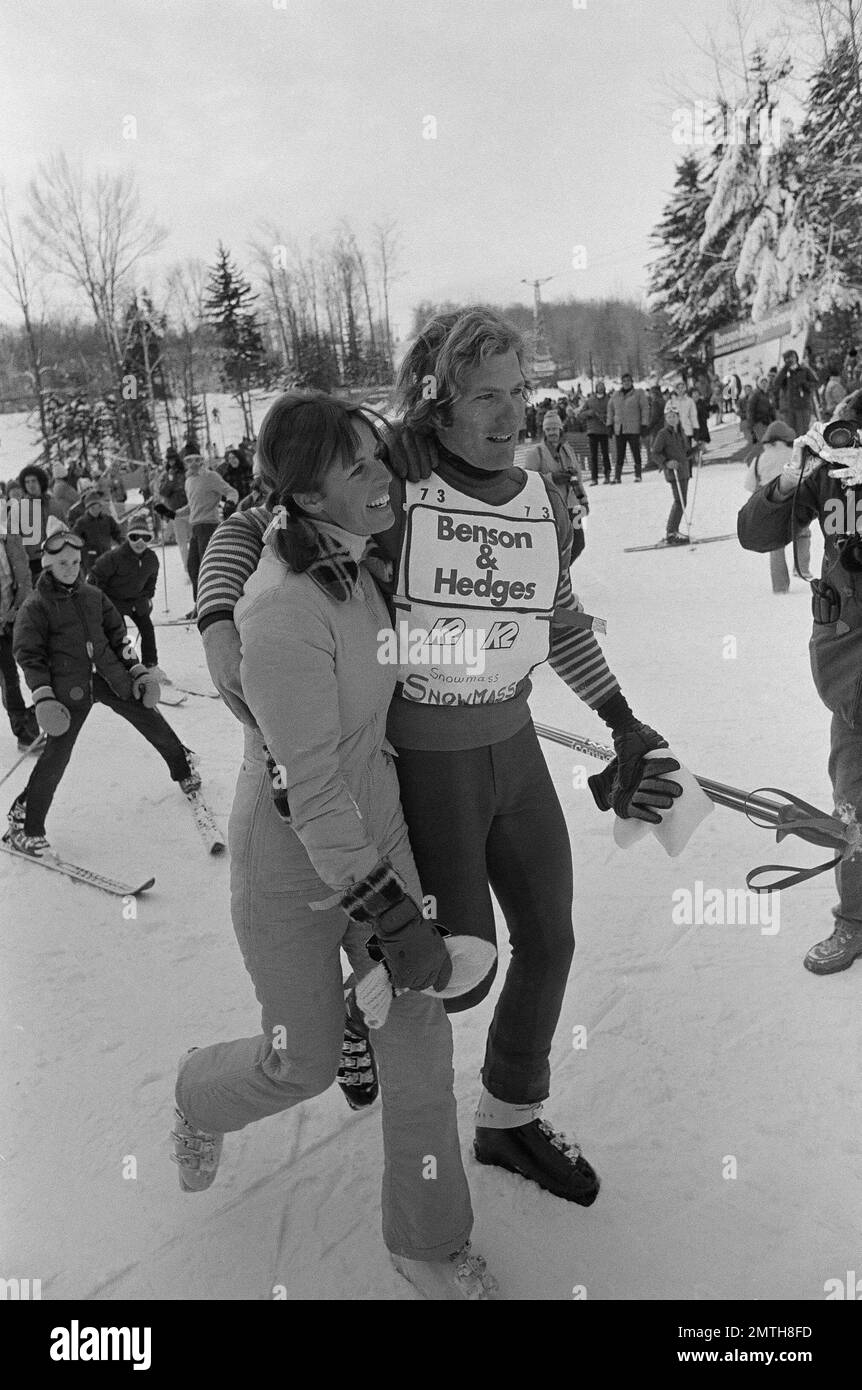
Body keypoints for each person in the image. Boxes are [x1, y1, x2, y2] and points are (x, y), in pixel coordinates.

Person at [196, 308, 683, 1207]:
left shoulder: (534, 493)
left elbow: (558, 619)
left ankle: (509, 1118)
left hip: (514, 744)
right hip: (426, 758)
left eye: (520, 394)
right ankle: (357, 1004)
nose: (511, 417)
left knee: (551, 939)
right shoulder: (398, 486)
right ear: (437, 404)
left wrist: (621, 719)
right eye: (485, 397)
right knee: (459, 970)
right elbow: (248, 526)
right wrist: (220, 615)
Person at [171, 393, 495, 1301]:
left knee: (419, 1045)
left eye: (375, 455)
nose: (381, 474)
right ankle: (199, 1093)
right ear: (305, 495)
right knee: (302, 1062)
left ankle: (428, 1238)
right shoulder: (278, 615)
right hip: (290, 868)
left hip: (378, 831)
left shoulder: (359, 562)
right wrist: (392, 914)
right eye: (356, 467)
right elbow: (308, 790)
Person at [738, 390, 862, 972]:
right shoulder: (833, 464)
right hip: (852, 668)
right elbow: (757, 533)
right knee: (854, 802)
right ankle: (856, 919)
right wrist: (793, 478)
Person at [6, 518, 198, 858]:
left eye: (75, 562)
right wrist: (44, 695)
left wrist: (136, 670)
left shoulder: (94, 596)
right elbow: (29, 655)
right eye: (62, 563)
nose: (70, 568)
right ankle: (26, 823)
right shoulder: (36, 606)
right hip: (68, 690)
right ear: (49, 564)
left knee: (149, 717)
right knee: (57, 754)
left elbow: (118, 637)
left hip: (109, 678)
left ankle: (183, 766)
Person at [742, 420, 812, 591]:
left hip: (770, 506)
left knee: (776, 545)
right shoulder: (795, 455)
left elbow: (750, 485)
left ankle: (780, 586)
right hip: (796, 502)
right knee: (802, 534)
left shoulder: (759, 459)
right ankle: (802, 568)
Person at [90, 514, 160, 670]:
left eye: (146, 538)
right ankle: (127, 665)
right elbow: (96, 576)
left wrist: (148, 595)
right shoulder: (114, 557)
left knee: (147, 629)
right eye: (135, 537)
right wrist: (100, 601)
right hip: (114, 600)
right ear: (128, 538)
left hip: (137, 600)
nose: (140, 542)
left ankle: (151, 664)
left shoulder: (151, 559)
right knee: (121, 634)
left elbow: (152, 579)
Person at [524, 410, 589, 562]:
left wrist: (584, 500)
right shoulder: (536, 453)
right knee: (556, 545)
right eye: (548, 429)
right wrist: (552, 478)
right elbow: (528, 481)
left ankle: (561, 575)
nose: (552, 432)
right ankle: (555, 577)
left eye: (554, 429)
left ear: (560, 429)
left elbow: (577, 477)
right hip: (551, 507)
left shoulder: (568, 449)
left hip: (573, 506)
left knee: (578, 544)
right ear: (544, 431)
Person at [0, 521, 39, 750]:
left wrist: (19, 608)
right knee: (9, 677)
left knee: (34, 665)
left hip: (17, 615)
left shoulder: (9, 534)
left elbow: (23, 573)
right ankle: (23, 730)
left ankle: (44, 709)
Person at [651, 403, 693, 546]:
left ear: (678, 418)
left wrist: (698, 449)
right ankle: (671, 532)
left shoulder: (681, 433)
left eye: (674, 416)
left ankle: (674, 530)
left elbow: (685, 453)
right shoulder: (663, 434)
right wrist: (666, 462)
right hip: (673, 472)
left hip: (684, 471)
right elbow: (655, 453)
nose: (672, 419)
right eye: (669, 417)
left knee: (683, 501)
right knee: (679, 501)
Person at [16, 465, 65, 583]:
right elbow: (15, 539)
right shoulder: (19, 509)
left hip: (57, 556)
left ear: (41, 482)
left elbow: (65, 529)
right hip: (34, 562)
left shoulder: (54, 505)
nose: (30, 485)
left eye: (33, 481)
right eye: (27, 482)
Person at [71, 486, 123, 578]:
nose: (96, 509)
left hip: (106, 555)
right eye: (93, 507)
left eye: (98, 506)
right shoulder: (82, 522)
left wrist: (123, 542)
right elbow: (75, 537)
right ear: (88, 508)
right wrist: (84, 547)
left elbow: (117, 533)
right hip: (90, 559)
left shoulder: (107, 519)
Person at [608, 372, 649, 482]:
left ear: (632, 382)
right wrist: (609, 425)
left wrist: (644, 424)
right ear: (622, 382)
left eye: (628, 381)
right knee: (620, 453)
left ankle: (638, 474)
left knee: (635, 451)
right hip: (620, 428)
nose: (626, 383)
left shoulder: (638, 393)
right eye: (624, 381)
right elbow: (610, 410)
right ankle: (617, 476)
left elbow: (645, 409)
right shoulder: (616, 395)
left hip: (633, 428)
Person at [775, 349, 820, 435]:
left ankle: (807, 447)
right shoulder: (784, 372)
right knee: (793, 433)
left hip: (804, 405)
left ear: (796, 357)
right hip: (790, 407)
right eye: (787, 358)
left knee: (804, 431)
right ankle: (799, 447)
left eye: (792, 357)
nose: (790, 360)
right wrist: (785, 368)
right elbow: (776, 383)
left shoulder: (804, 370)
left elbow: (816, 383)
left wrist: (805, 384)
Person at [582, 381, 612, 485]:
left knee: (605, 454)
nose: (600, 389)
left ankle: (607, 476)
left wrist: (606, 416)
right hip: (593, 431)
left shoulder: (609, 399)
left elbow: (612, 412)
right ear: (596, 388)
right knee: (593, 455)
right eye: (599, 387)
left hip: (604, 430)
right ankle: (594, 478)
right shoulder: (590, 400)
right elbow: (581, 414)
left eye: (602, 387)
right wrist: (589, 413)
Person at [746, 376, 777, 445]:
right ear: (759, 384)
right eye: (762, 383)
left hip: (768, 421)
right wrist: (751, 424)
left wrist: (774, 419)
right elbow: (750, 410)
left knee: (770, 440)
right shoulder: (755, 394)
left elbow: (772, 407)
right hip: (758, 421)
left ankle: (769, 454)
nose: (764, 384)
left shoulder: (769, 394)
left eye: (765, 382)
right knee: (765, 440)